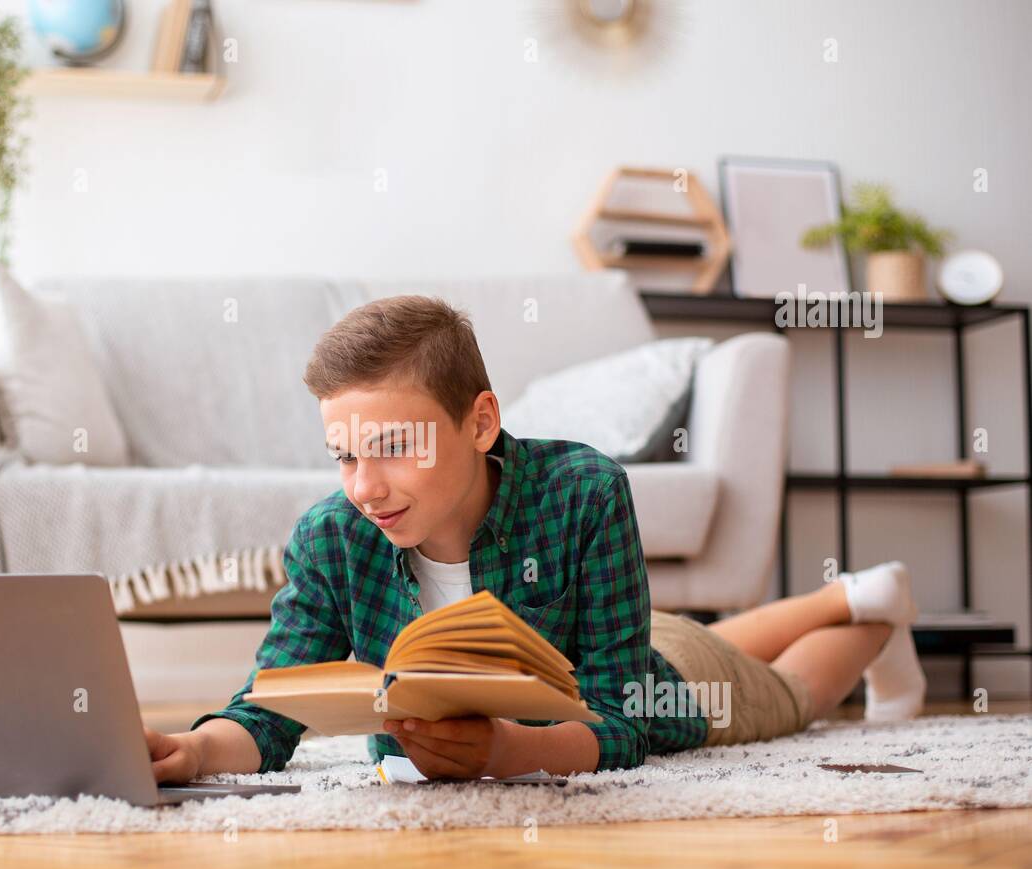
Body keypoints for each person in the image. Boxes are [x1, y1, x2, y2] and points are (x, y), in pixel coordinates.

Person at [144, 296, 926, 782]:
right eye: (345, 454)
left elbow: (626, 713)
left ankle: (873, 615)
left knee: (785, 690)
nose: (364, 486)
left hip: (660, 681)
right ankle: (840, 592)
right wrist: (198, 751)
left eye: (393, 448)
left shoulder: (584, 492)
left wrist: (512, 753)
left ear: (480, 422)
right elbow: (268, 708)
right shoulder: (331, 538)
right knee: (691, 634)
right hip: (627, 635)